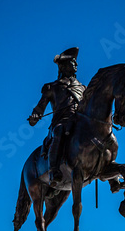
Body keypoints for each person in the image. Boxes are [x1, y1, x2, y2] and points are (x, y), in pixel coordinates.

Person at [28, 47, 85, 185]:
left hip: (79, 121)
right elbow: (40, 106)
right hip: (61, 121)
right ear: (63, 66)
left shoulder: (83, 88)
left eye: (75, 61)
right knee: (59, 131)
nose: (76, 64)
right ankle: (53, 170)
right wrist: (35, 115)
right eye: (72, 62)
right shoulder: (52, 87)